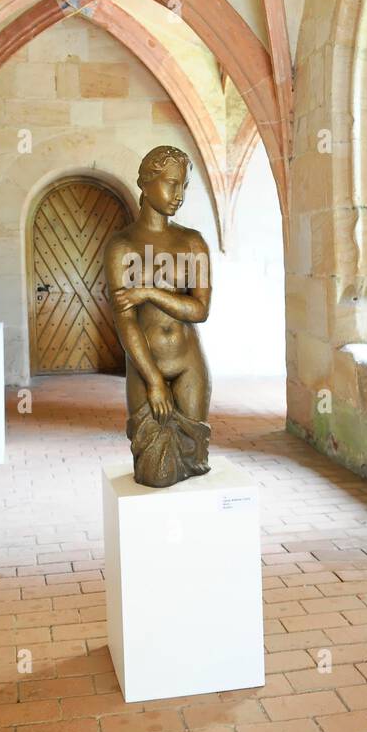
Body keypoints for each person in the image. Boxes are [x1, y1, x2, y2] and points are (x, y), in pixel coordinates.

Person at [104, 146, 212, 487]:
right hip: (144, 365)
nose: (178, 195)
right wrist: (153, 381)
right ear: (146, 183)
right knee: (155, 474)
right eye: (170, 183)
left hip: (189, 363)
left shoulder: (192, 243)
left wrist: (149, 291)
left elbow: (200, 310)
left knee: (193, 468)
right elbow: (126, 322)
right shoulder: (122, 246)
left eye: (184, 186)